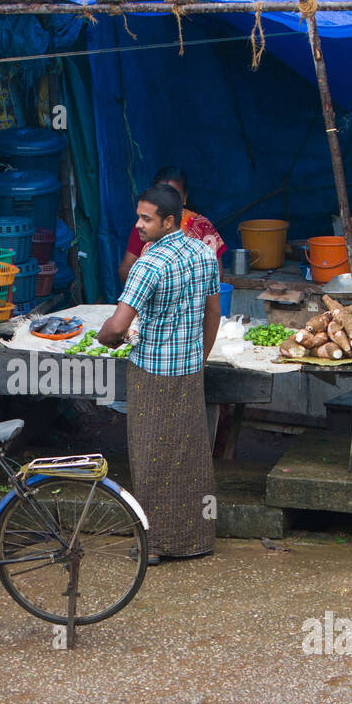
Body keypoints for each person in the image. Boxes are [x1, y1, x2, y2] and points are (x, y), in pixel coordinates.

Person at [98, 183, 221, 565]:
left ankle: (158, 543)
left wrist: (105, 338)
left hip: (153, 374)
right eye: (138, 216)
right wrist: (200, 358)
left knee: (152, 460)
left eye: (146, 219)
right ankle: (198, 537)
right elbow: (213, 313)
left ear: (169, 221)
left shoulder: (148, 264)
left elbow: (117, 328)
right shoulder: (203, 252)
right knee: (189, 455)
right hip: (188, 369)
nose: (138, 225)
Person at [118, 166, 226, 284]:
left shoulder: (201, 227)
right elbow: (125, 268)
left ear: (184, 197)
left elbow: (217, 274)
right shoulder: (144, 226)